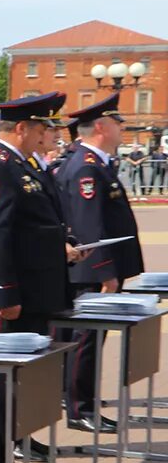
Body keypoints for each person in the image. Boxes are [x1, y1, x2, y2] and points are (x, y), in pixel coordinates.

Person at [0, 93, 79, 463]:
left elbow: (34, 228)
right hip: (12, 299)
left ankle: (8, 458)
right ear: (21, 128)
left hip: (32, 294)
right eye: (41, 128)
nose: (47, 135)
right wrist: (5, 294)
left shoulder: (21, 165)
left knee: (19, 383)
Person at [53, 93, 144, 432]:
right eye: (118, 123)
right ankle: (80, 408)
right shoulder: (86, 167)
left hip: (92, 268)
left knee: (87, 339)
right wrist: (106, 273)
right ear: (102, 127)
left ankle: (78, 400)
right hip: (90, 269)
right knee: (86, 340)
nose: (123, 129)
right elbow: (88, 226)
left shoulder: (94, 162)